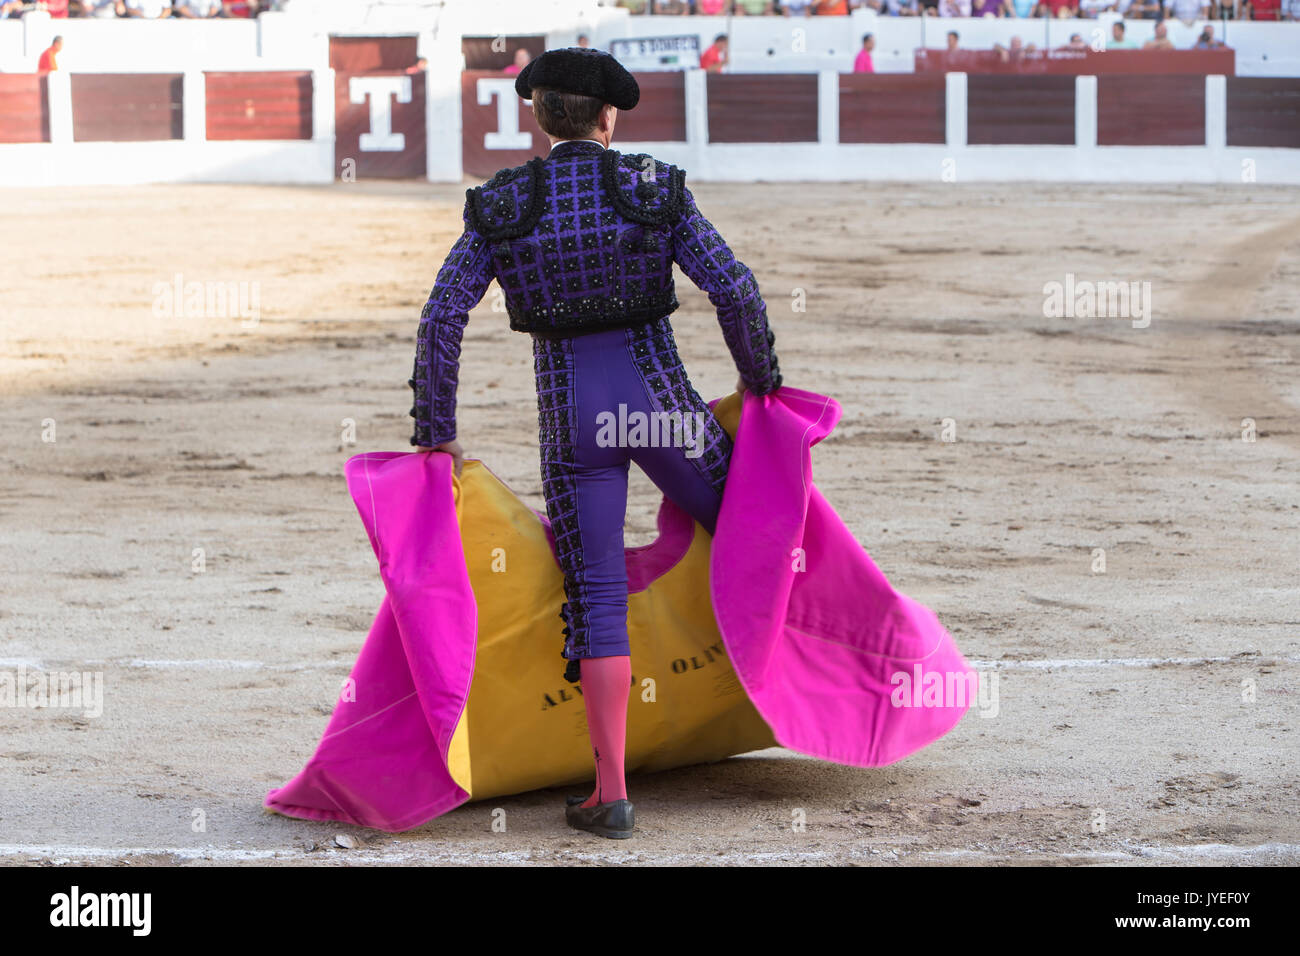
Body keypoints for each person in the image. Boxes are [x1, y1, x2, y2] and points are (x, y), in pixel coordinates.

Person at [407, 47, 782, 840]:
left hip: (573, 418)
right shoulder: (650, 188)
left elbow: (442, 318)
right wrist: (762, 384)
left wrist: (436, 434)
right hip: (662, 407)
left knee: (598, 598)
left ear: (538, 117)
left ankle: (610, 793)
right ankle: (817, 696)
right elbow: (734, 287)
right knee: (763, 535)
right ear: (610, 116)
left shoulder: (504, 206)